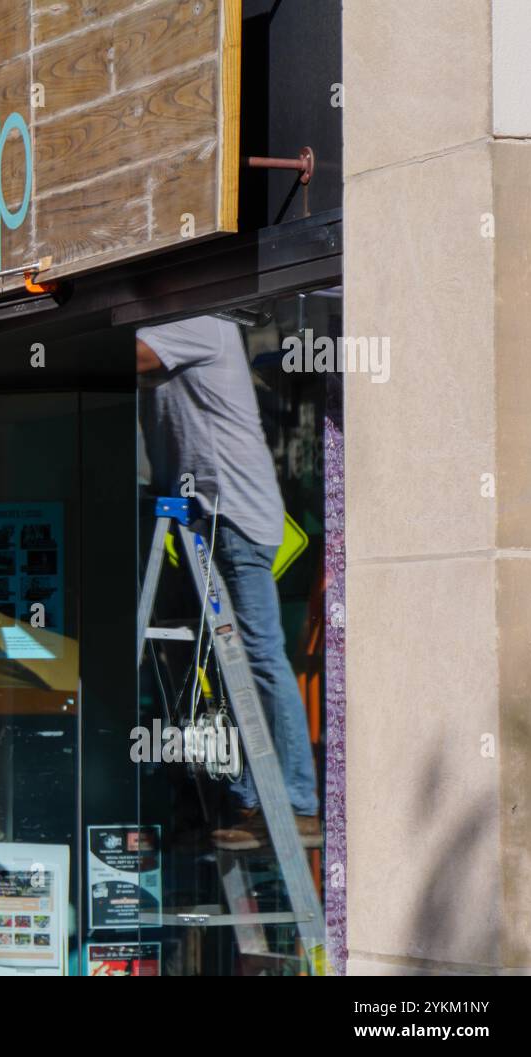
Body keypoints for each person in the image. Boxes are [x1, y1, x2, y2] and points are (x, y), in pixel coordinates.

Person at [136, 315, 321, 851]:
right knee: (220, 662)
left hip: (233, 519)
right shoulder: (177, 328)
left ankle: (297, 805)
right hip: (205, 521)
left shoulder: (201, 323)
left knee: (259, 656)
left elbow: (131, 357)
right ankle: (249, 799)